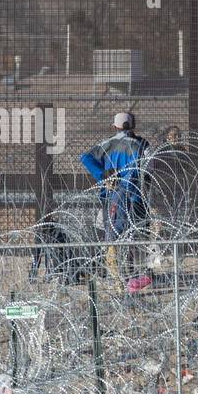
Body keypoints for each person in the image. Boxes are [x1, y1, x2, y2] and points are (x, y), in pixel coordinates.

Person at [81, 111, 148, 277]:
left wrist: (102, 175)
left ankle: (114, 274)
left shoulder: (107, 144)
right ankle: (129, 273)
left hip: (110, 195)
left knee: (111, 234)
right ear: (133, 126)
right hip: (134, 196)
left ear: (115, 127)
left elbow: (85, 157)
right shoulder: (141, 145)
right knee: (131, 235)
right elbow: (149, 165)